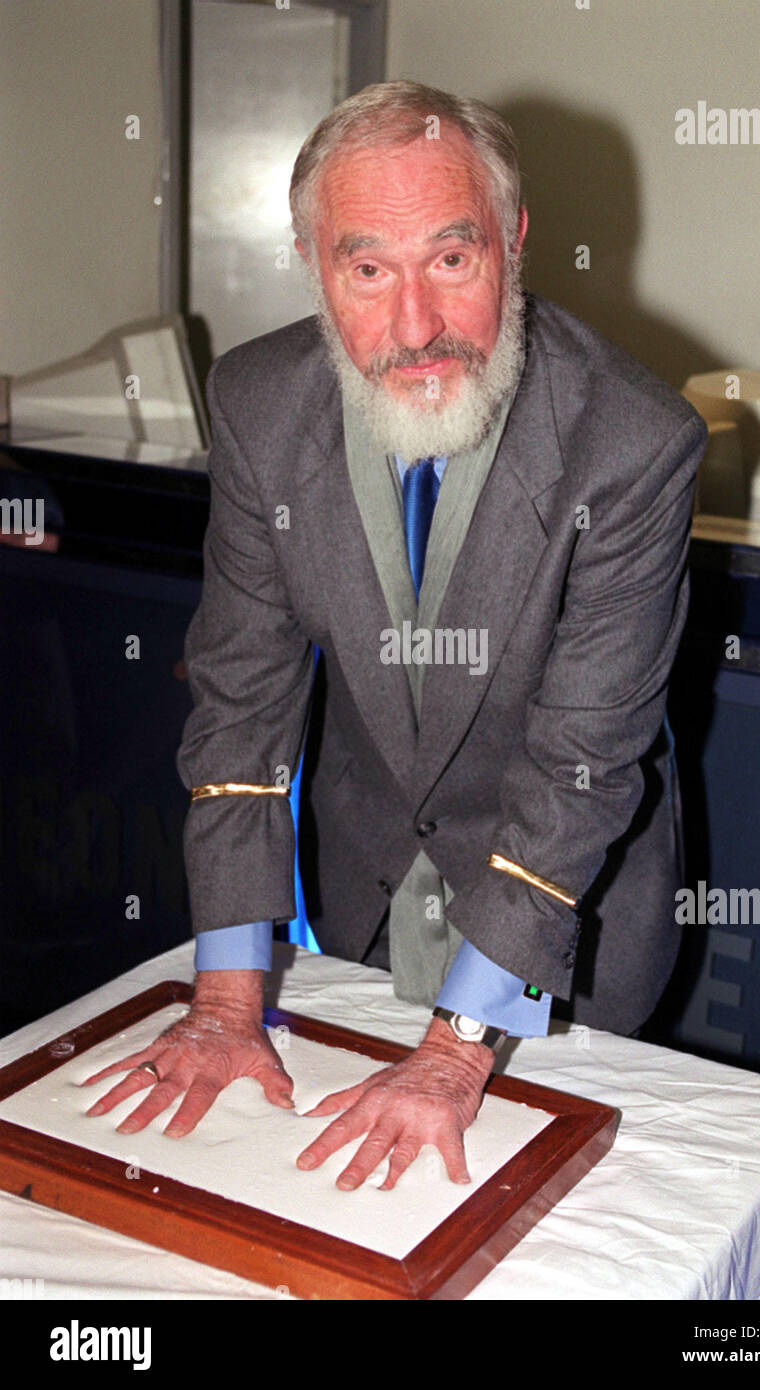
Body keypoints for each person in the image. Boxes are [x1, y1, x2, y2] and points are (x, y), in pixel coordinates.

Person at [82, 82, 707, 1192]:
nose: (414, 326)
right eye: (368, 270)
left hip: (568, 926)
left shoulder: (632, 441)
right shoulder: (260, 402)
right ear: (315, 263)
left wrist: (452, 1054)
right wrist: (228, 999)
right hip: (358, 895)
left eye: (452, 262)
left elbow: (583, 767)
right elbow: (240, 703)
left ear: (512, 243)